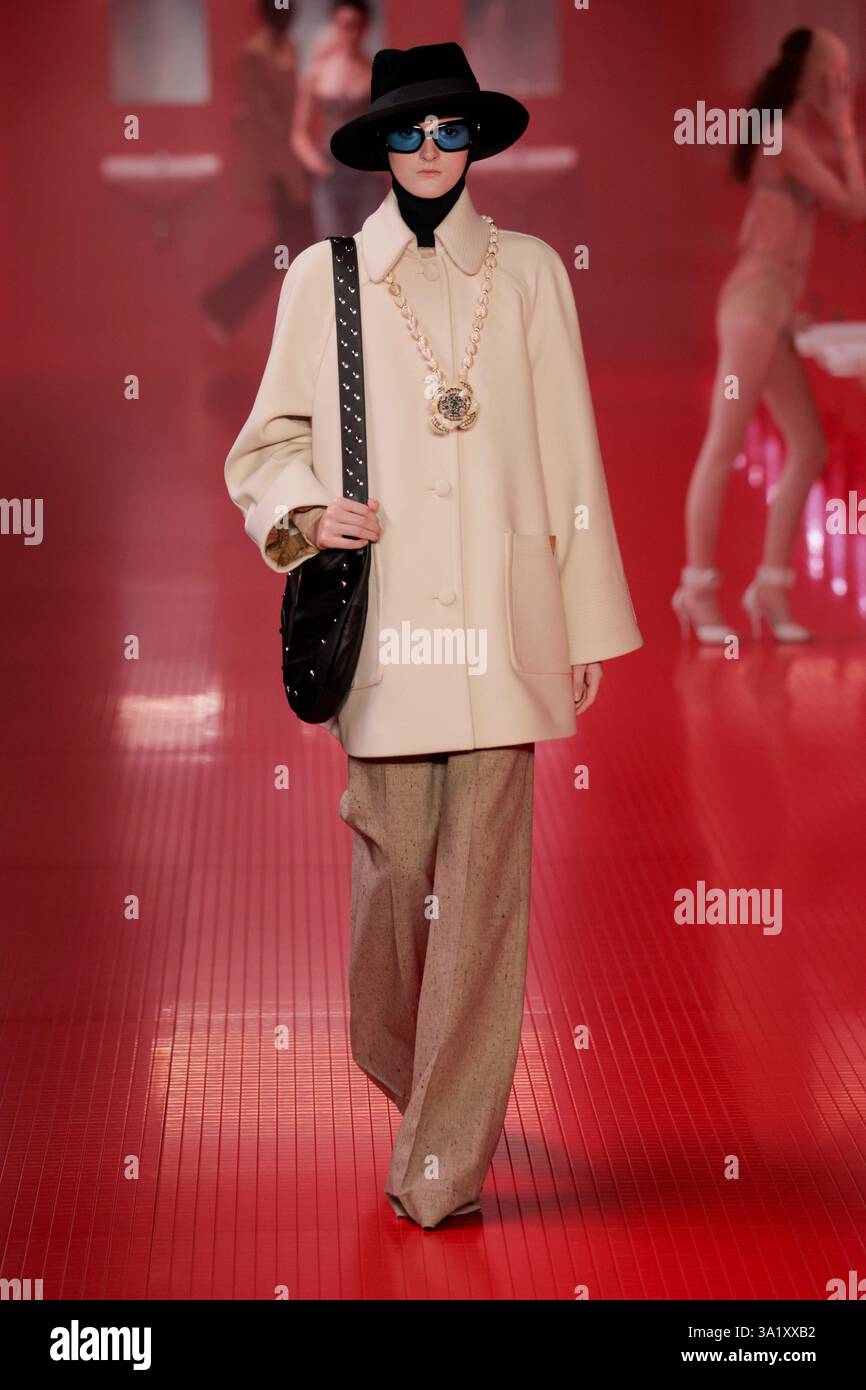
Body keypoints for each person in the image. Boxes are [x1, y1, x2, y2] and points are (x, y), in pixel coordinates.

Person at [224, 42, 642, 1228]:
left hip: (504, 630)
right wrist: (308, 508)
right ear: (377, 148)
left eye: (446, 131)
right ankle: (425, 1086)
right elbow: (261, 448)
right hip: (391, 631)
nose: (425, 153)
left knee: (487, 901)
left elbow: (570, 453)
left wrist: (583, 621)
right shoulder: (328, 278)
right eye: (404, 134)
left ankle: (441, 1160)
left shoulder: (527, 275)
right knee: (394, 880)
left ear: (474, 140)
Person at [674, 27, 866, 643]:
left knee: (808, 446)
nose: (843, 85)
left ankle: (772, 586)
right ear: (811, 76)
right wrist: (844, 125)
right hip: (754, 307)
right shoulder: (785, 134)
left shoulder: (788, 132)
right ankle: (697, 588)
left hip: (775, 311)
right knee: (722, 446)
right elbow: (853, 204)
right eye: (836, 75)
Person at [290, 0, 385, 238]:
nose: (350, 33)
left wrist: (383, 164)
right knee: (334, 248)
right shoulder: (317, 72)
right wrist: (316, 164)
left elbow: (388, 123)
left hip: (366, 170)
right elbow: (298, 132)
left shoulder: (374, 72)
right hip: (330, 169)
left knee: (369, 246)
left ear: (366, 28)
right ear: (334, 25)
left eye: (356, 26)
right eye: (344, 25)